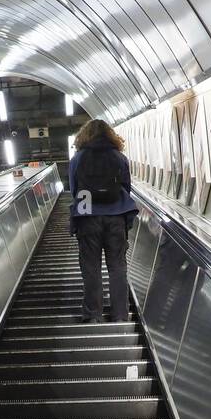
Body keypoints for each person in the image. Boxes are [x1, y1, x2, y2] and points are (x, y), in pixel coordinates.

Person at [68, 118, 138, 323]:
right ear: (110, 135)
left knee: (91, 267)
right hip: (116, 215)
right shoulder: (119, 157)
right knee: (117, 267)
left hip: (87, 214)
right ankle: (120, 316)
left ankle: (93, 315)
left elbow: (74, 189)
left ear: (84, 136)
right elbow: (126, 186)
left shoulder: (78, 159)